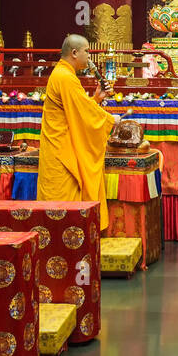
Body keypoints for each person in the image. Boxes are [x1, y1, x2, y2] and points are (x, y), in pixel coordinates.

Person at [38, 35, 117, 231]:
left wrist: (96, 99)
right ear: (74, 53)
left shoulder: (64, 74)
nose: (89, 56)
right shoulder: (65, 77)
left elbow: (76, 108)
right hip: (61, 151)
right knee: (61, 203)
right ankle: (62, 244)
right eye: (87, 51)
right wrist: (110, 120)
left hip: (60, 146)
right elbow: (82, 112)